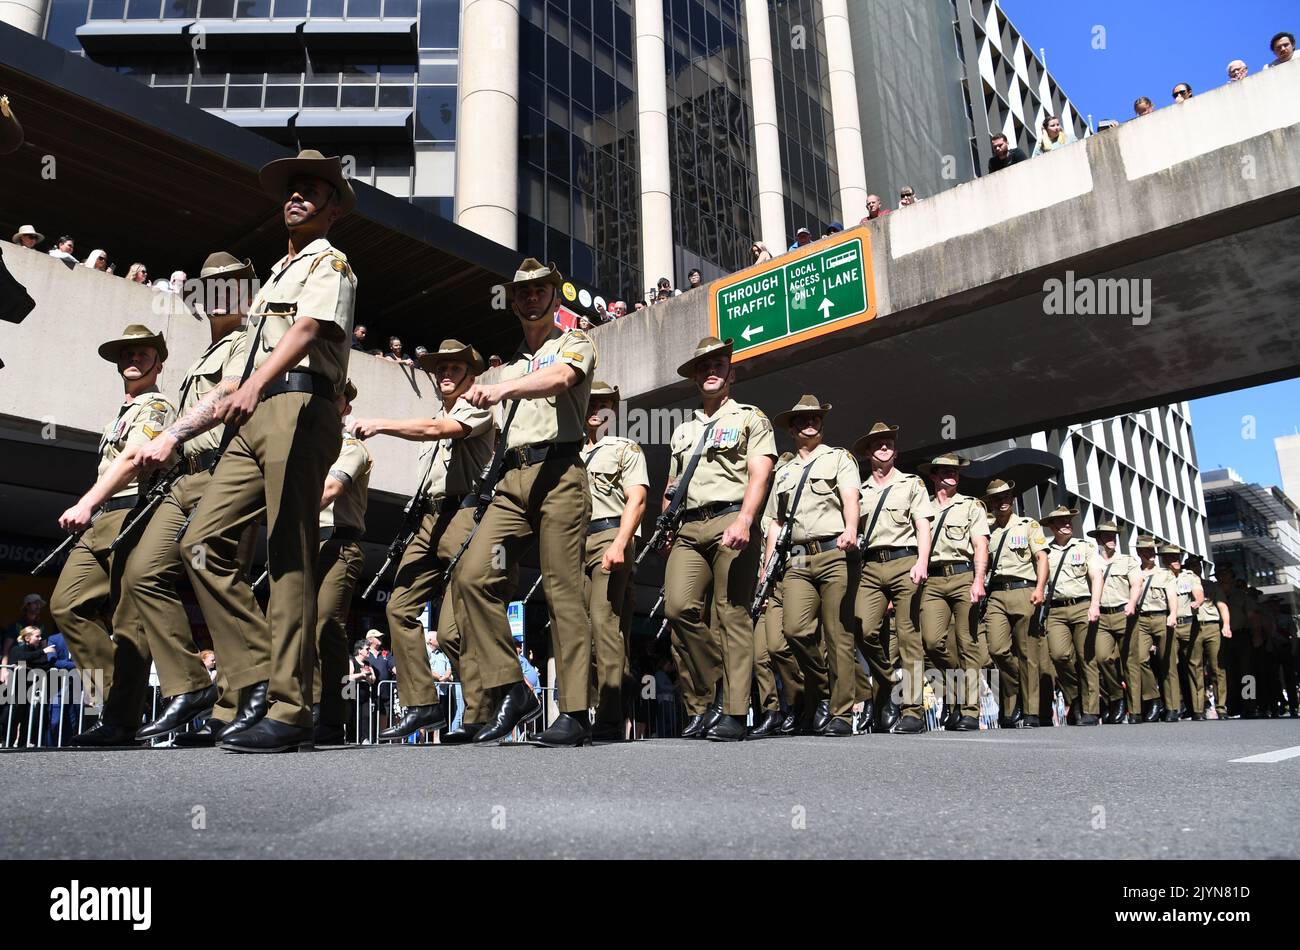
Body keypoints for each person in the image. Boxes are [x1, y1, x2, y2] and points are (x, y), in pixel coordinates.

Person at [142, 149, 357, 753]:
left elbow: (309, 330)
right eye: (293, 190)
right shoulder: (271, 279)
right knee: (201, 544)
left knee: (290, 554)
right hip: (256, 411)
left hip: (299, 406)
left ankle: (292, 711)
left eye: (313, 190)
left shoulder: (331, 263)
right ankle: (261, 672)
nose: (298, 197)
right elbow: (241, 373)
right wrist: (176, 433)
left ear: (333, 208)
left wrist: (258, 383)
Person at [85, 254, 263, 746]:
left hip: (227, 471)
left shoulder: (250, 341)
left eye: (230, 287)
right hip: (183, 479)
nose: (220, 297)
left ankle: (241, 702)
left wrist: (173, 435)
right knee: (142, 575)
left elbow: (230, 391)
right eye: (211, 289)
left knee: (224, 581)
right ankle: (192, 686)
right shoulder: (206, 353)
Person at [454, 258, 598, 747]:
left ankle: (575, 711)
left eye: (541, 290)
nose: (532, 297)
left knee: (563, 590)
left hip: (559, 474)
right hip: (513, 482)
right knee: (473, 575)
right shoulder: (510, 364)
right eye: (523, 293)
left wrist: (501, 389)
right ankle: (512, 687)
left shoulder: (574, 341)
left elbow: (560, 379)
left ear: (554, 296)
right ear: (513, 303)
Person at [350, 338, 495, 742]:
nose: (445, 374)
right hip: (427, 518)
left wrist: (380, 423)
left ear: (471, 374)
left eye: (453, 368)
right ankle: (423, 704)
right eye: (440, 369)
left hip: (463, 514)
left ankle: (480, 713)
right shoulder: (435, 412)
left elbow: (437, 430)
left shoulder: (477, 407)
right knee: (398, 608)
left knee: (452, 630)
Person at [51, 324, 177, 745]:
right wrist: (93, 508)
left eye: (143, 353)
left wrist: (85, 503)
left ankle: (120, 719)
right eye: (127, 354)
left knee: (128, 621)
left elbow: (134, 460)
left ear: (158, 362)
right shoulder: (120, 414)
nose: (133, 359)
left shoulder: (157, 406)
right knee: (67, 604)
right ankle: (122, 706)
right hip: (103, 517)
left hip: (134, 514)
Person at [663, 337, 776, 742]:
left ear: (731, 372)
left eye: (719, 364)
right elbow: (673, 484)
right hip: (689, 528)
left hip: (731, 519)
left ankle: (734, 712)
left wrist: (746, 520)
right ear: (695, 376)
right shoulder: (683, 430)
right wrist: (667, 520)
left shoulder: (750, 417)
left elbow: (760, 473)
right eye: (703, 366)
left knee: (732, 615)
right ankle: (718, 690)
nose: (711, 370)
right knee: (678, 609)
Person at [762, 396, 859, 736]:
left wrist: (851, 530)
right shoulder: (784, 472)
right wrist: (768, 564)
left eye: (816, 418)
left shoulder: (838, 459)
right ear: (792, 428)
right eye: (802, 419)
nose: (810, 423)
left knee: (837, 635)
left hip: (834, 549)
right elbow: (775, 522)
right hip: (798, 557)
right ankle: (823, 691)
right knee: (794, 630)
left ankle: (843, 714)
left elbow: (850, 497)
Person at [853, 423, 932, 733]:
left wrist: (922, 562)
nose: (883, 447)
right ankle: (889, 683)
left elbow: (923, 526)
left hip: (905, 562)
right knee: (862, 626)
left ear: (895, 451)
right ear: (869, 452)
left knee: (909, 637)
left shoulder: (911, 484)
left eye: (888, 443)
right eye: (877, 444)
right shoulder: (859, 491)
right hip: (870, 566)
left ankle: (913, 710)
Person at [580, 381, 649, 741]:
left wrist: (621, 542)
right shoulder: (572, 452)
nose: (596, 408)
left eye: (604, 403)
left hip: (610, 537)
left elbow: (637, 499)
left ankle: (608, 718)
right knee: (583, 629)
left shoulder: (625, 448)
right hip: (575, 543)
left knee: (605, 625)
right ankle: (601, 703)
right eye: (591, 402)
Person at [311, 381, 371, 745]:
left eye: (335, 396)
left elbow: (331, 490)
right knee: (293, 626)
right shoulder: (307, 449)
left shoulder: (351, 447)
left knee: (325, 627)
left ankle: (330, 715)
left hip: (338, 545)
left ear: (345, 407)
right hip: (307, 544)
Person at [917, 454, 988, 731]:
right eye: (945, 471)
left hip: (962, 576)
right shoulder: (923, 508)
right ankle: (955, 691)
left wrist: (978, 580)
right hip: (933, 581)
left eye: (955, 471)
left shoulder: (971, 506)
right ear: (934, 476)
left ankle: (970, 710)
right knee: (933, 642)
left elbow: (981, 546)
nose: (952, 475)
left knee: (967, 644)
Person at [980, 480, 1049, 727]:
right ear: (990, 503)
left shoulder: (1027, 525)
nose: (1003, 501)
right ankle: (1016, 684)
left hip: (1024, 590)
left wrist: (1040, 588)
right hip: (997, 593)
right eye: (997, 498)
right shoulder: (987, 529)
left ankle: (1029, 711)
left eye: (1007, 495)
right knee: (997, 649)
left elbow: (1041, 558)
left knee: (1028, 654)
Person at [751, 451, 805, 738]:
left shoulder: (799, 512)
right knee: (760, 654)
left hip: (790, 582)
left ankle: (799, 704)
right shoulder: (764, 509)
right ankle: (771, 711)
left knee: (782, 648)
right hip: (763, 590)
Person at [1039, 505, 1094, 724]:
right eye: (1061, 522)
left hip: (1082, 605)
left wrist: (1095, 604)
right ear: (1052, 527)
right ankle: (1076, 697)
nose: (1067, 524)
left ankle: (1090, 709)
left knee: (1085, 657)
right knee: (1059, 655)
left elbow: (1095, 576)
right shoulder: (1045, 552)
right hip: (1056, 609)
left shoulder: (1085, 547)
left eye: (1069, 521)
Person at [1085, 521, 1142, 725]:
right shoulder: (1092, 562)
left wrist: (1132, 602)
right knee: (1102, 658)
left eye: (1114, 535)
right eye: (1107, 536)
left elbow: (1136, 583)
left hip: (1124, 614)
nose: (1112, 539)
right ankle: (1117, 696)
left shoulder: (1127, 561)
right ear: (1098, 538)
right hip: (1101, 617)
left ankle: (1135, 710)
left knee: (1131, 662)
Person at [1133, 536, 1180, 722]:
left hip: (1162, 618)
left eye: (1152, 550)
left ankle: (1173, 707)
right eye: (1145, 550)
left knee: (1168, 663)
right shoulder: (1135, 572)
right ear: (1138, 553)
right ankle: (1153, 698)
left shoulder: (1165, 574)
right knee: (1138, 659)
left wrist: (1173, 614)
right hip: (1141, 620)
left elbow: (1171, 596)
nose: (1150, 553)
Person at [1186, 556, 1230, 720]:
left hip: (1212, 626)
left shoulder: (1211, 586)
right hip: (1193, 626)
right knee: (1195, 667)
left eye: (1197, 565)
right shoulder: (1184, 583)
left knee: (1218, 667)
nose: (1195, 568)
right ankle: (1198, 708)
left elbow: (1222, 605)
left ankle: (1221, 707)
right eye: (1191, 566)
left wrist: (1226, 625)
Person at [1163, 545, 1203, 721]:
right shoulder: (1161, 576)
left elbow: (1198, 593)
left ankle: (1198, 708)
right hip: (1169, 626)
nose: (1176, 560)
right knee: (1170, 666)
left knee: (1195, 666)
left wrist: (1198, 602)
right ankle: (1174, 707)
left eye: (1177, 557)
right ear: (1164, 560)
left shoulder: (1190, 576)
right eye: (1171, 557)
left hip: (1189, 624)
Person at [1215, 564, 1259, 717]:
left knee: (1247, 673)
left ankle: (1250, 705)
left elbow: (1252, 617)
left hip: (1241, 636)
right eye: (1220, 574)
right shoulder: (1214, 594)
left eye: (1226, 574)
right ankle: (1233, 706)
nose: (1223, 577)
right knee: (1227, 673)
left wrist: (1256, 635)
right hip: (1221, 638)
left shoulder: (1241, 595)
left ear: (1232, 577)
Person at [3, 594, 50, 688]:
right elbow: (6, 650)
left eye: (39, 604)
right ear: (27, 606)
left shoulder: (41, 627)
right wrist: (4, 669)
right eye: (35, 603)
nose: (38, 606)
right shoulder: (16, 625)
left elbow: (45, 649)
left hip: (32, 669)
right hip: (15, 667)